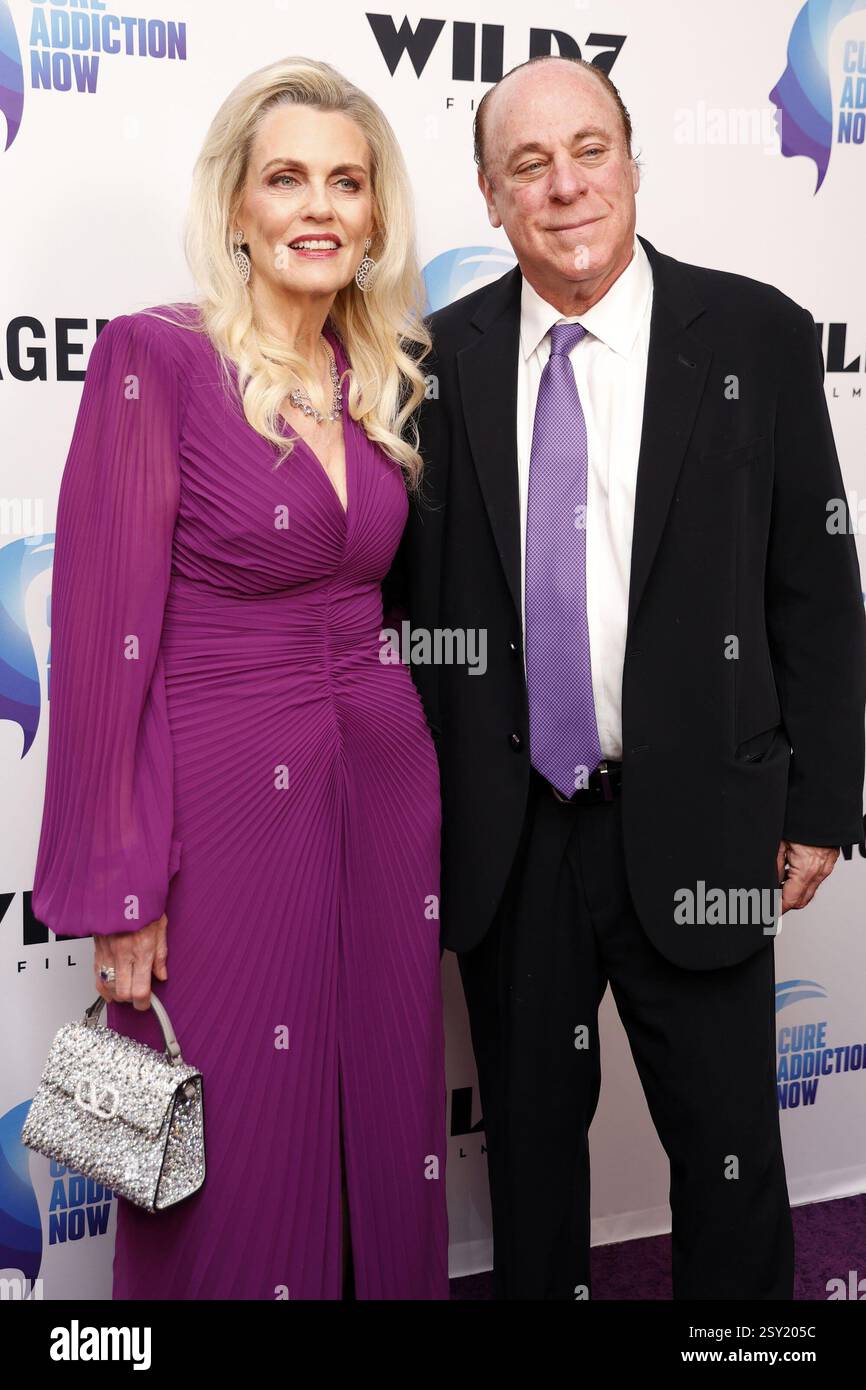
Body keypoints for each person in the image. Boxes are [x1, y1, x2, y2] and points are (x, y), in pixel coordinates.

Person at [386, 55, 866, 1299]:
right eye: (526, 165)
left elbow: (812, 584)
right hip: (511, 842)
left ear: (633, 162)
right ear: (489, 198)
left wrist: (823, 803)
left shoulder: (752, 331)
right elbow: (410, 615)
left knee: (727, 1157)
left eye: (587, 149)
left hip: (704, 821)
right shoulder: (433, 363)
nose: (563, 186)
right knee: (531, 1169)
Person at [31, 55, 449, 1301]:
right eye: (286, 179)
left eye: (345, 181)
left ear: (375, 217)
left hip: (381, 790)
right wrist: (119, 890)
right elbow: (108, 641)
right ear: (236, 208)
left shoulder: (372, 377)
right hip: (220, 810)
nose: (318, 206)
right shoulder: (151, 358)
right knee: (225, 1133)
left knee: (381, 1105)